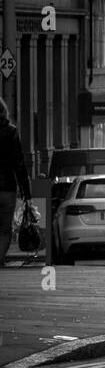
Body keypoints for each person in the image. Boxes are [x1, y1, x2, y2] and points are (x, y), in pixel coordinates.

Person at [0, 97, 33, 266]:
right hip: (7, 189)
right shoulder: (11, 131)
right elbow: (19, 164)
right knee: (5, 230)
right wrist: (26, 193)